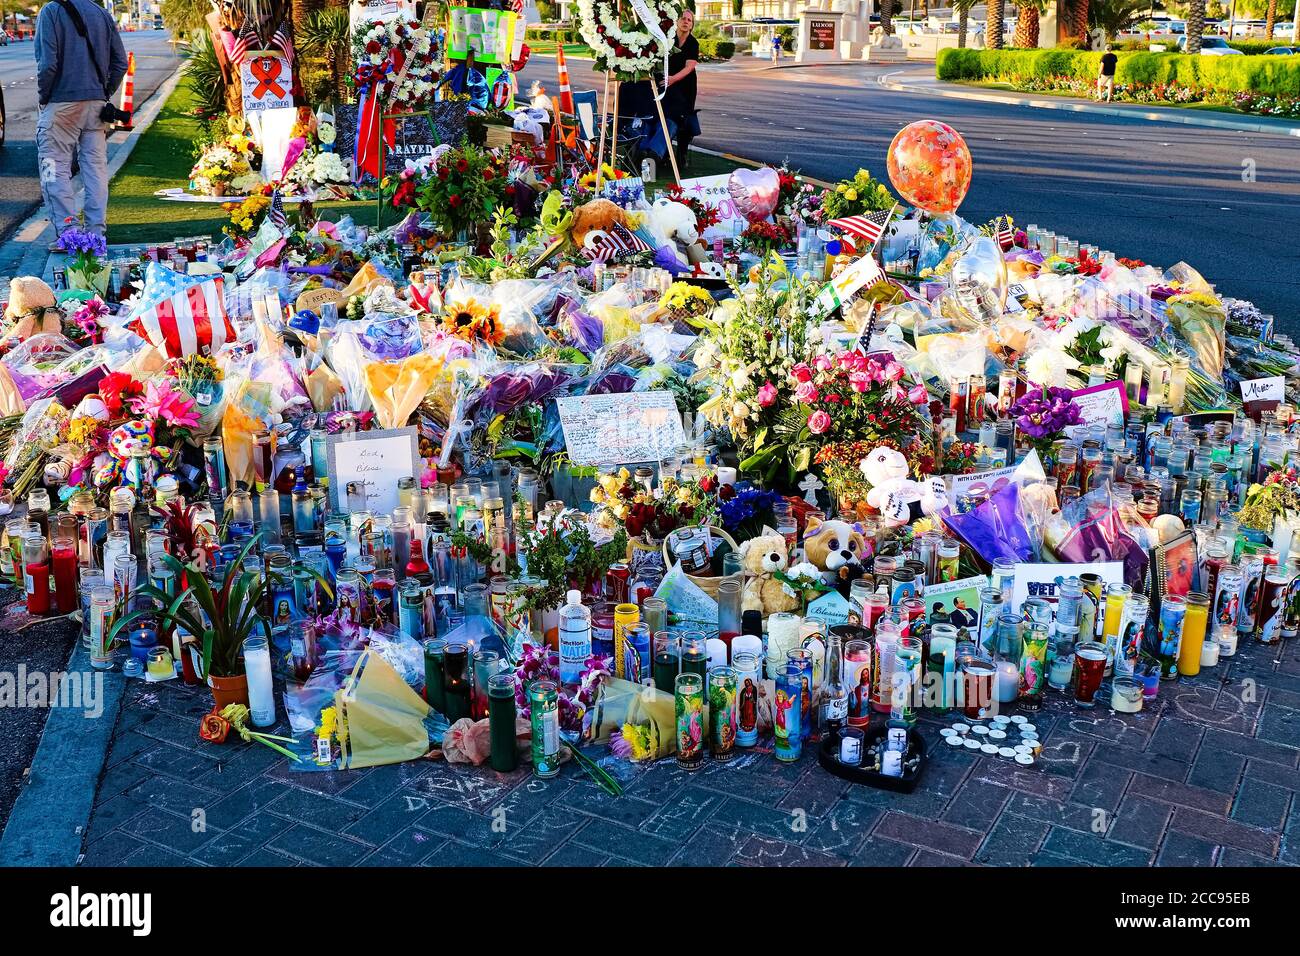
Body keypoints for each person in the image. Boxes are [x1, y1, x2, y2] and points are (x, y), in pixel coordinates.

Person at [35, 0, 128, 240]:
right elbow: (120, 63)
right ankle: (96, 234)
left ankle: (70, 234)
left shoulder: (51, 12)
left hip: (61, 104)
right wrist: (103, 92)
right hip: (95, 106)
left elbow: (48, 64)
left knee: (54, 170)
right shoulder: (101, 12)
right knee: (95, 169)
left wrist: (44, 96)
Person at [663, 9, 699, 172]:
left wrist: (673, 79)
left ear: (692, 25)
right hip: (668, 84)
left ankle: (682, 155)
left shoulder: (693, 43)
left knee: (684, 119)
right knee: (667, 117)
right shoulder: (668, 39)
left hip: (685, 85)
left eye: (689, 20)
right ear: (677, 21)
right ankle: (664, 154)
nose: (686, 22)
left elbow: (690, 67)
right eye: (683, 19)